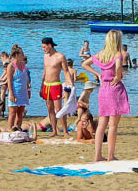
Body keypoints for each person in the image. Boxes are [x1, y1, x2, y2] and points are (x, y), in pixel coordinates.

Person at [82, 29, 129, 162]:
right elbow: (119, 66)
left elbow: (85, 63)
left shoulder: (101, 54)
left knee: (102, 123)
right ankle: (110, 155)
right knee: (113, 125)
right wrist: (118, 76)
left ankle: (97, 155)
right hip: (114, 89)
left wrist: (98, 74)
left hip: (104, 89)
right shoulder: (117, 54)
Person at [39, 37, 74, 137]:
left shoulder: (60, 56)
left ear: (50, 45)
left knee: (59, 109)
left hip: (55, 85)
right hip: (46, 84)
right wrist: (41, 86)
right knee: (50, 109)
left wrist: (69, 82)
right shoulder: (45, 56)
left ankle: (66, 131)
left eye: (44, 47)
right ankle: (54, 130)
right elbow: (44, 72)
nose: (43, 49)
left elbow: (66, 71)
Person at [5, 45, 31, 138]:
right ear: (16, 55)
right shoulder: (11, 66)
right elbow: (9, 81)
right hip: (15, 91)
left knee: (20, 113)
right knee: (12, 113)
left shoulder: (23, 65)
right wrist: (11, 93)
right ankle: (10, 130)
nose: (23, 55)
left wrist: (28, 90)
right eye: (21, 54)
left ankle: (18, 130)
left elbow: (27, 79)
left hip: (23, 92)